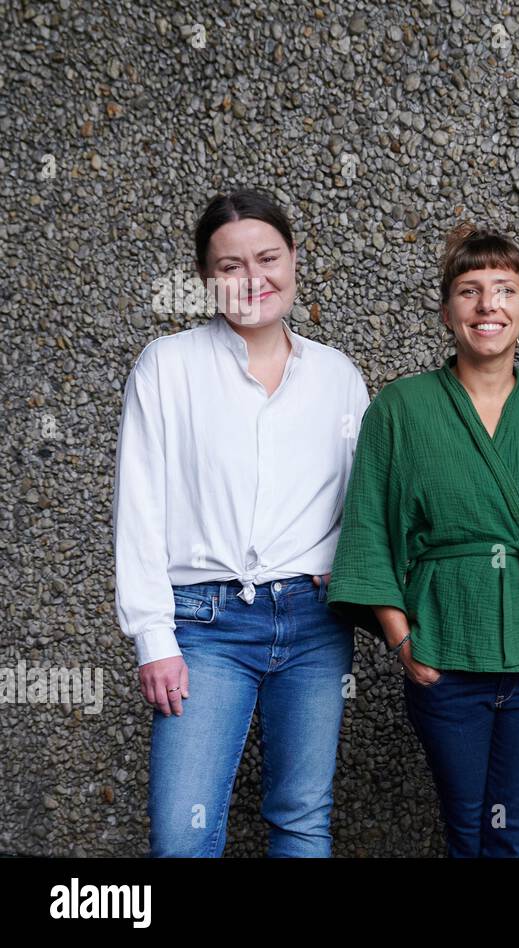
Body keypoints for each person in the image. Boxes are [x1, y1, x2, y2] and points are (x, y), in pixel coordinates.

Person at [114, 188, 369, 856]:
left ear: (293, 260)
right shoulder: (166, 366)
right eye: (230, 266)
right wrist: (153, 637)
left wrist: (355, 580)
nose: (252, 279)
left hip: (315, 623)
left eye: (267, 258)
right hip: (203, 624)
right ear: (205, 278)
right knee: (182, 834)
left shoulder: (339, 377)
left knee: (301, 819)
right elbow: (138, 506)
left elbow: (365, 503)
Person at [328, 223, 519, 858]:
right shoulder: (400, 407)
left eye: (504, 289)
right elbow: (368, 531)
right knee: (466, 833)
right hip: (444, 652)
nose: (487, 305)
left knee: (516, 835)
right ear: (446, 311)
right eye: (469, 291)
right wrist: (401, 638)